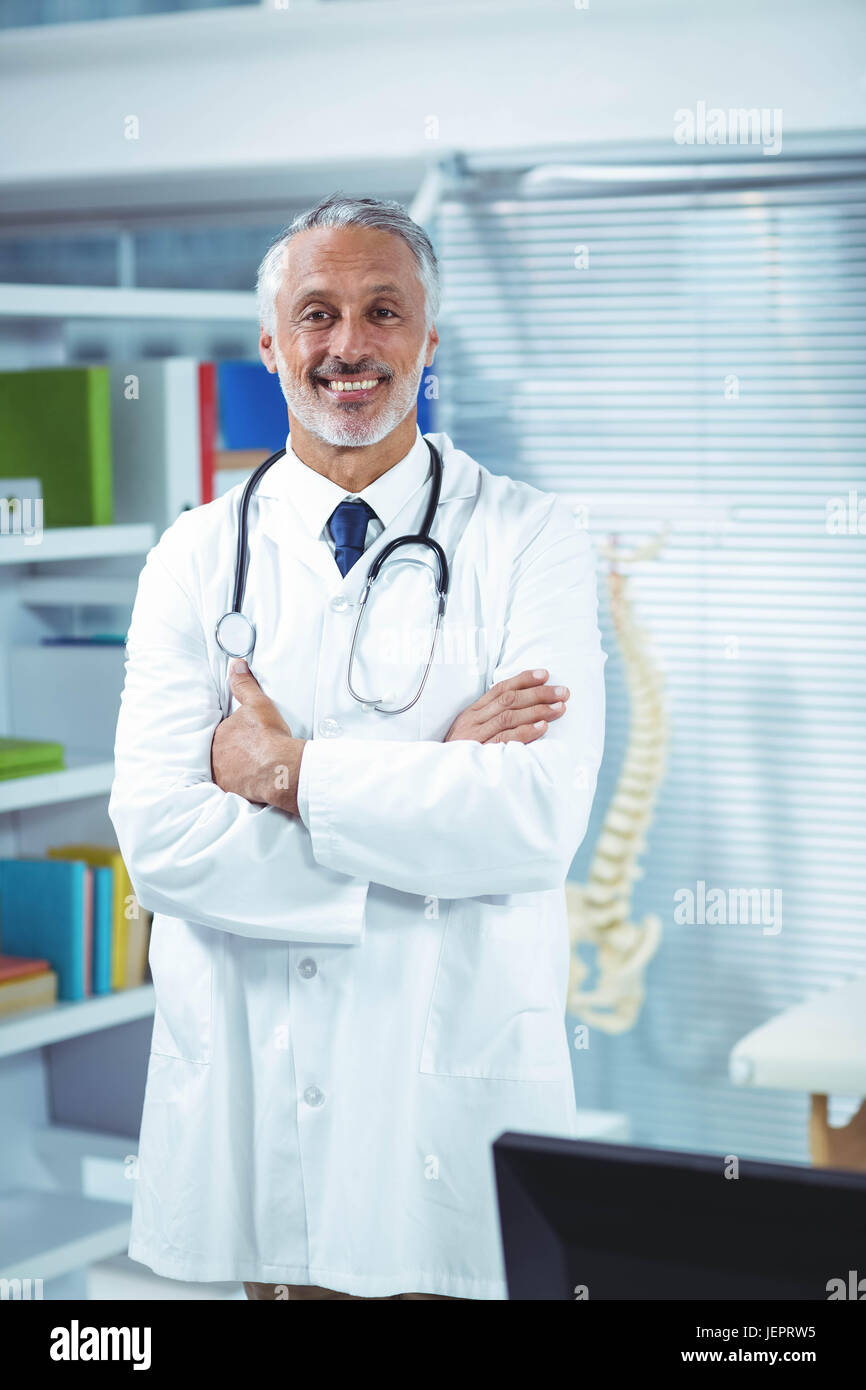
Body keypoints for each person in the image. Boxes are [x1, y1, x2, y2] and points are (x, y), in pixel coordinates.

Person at [109, 193, 607, 1301]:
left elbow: (530, 823)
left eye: (383, 312)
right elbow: (162, 843)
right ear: (272, 345)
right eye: (316, 313)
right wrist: (438, 773)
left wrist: (286, 773)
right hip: (258, 1098)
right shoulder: (193, 559)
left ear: (427, 341)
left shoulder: (528, 539)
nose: (348, 345)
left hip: (450, 1097)